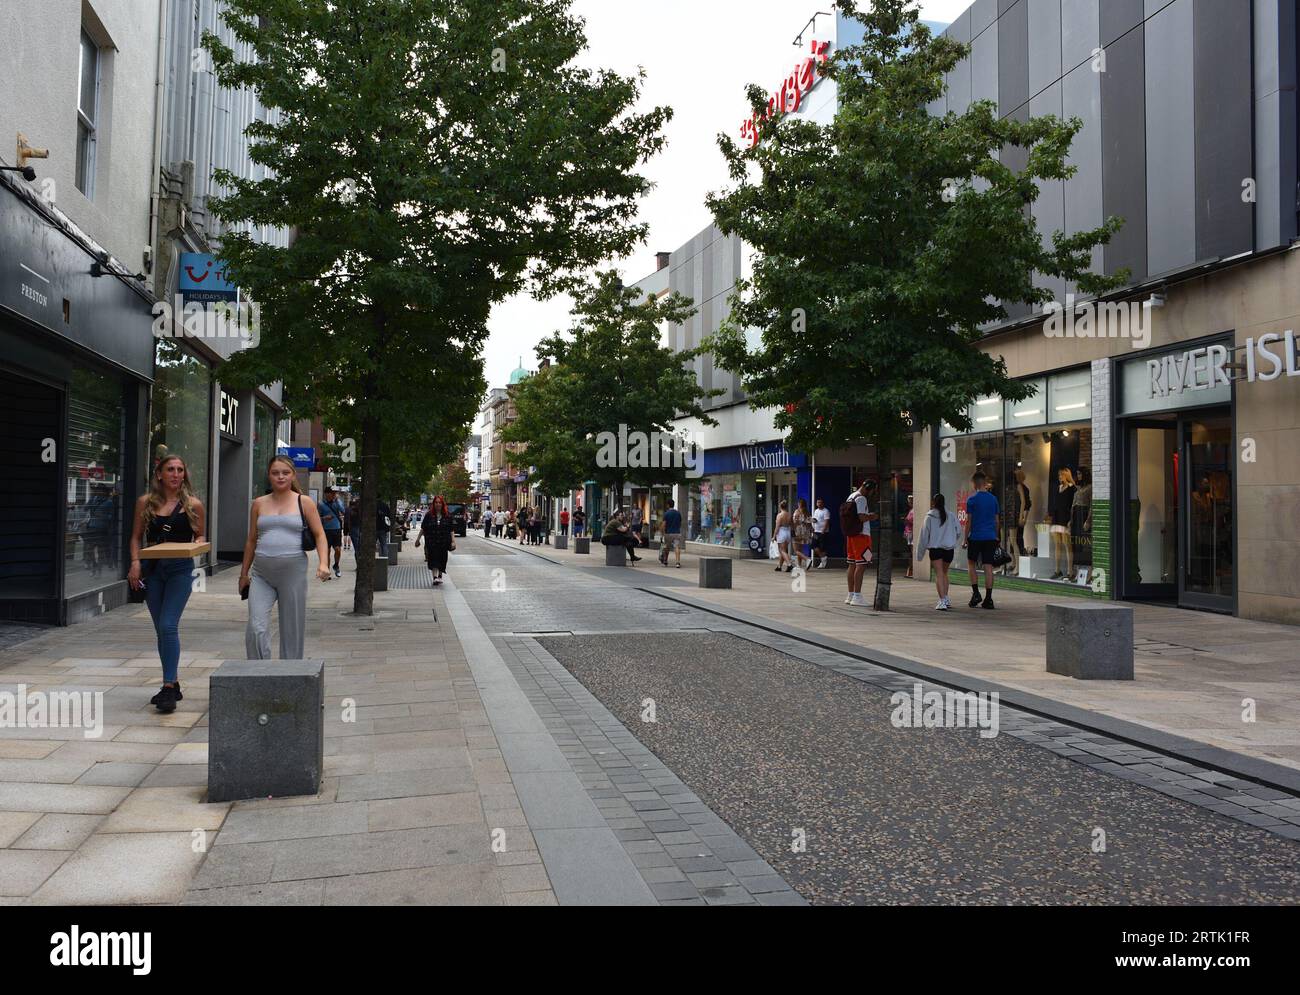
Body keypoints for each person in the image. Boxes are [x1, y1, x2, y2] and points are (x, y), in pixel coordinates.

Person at [128, 454, 207, 714]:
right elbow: (136, 537)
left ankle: (168, 688)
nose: (176, 474)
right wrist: (135, 563)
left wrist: (198, 543)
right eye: (170, 469)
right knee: (161, 630)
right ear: (159, 474)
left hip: (180, 571)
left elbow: (200, 535)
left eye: (180, 470)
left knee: (167, 624)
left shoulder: (193, 504)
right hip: (152, 571)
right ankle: (173, 680)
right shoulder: (145, 503)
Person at [240, 455, 332, 660]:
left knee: (292, 630)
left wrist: (324, 563)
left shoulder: (304, 502)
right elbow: (251, 540)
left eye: (285, 472)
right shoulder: (258, 503)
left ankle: (290, 674)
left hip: (293, 573)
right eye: (275, 473)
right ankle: (259, 673)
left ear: (292, 475)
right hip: (262, 574)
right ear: (269, 476)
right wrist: (243, 574)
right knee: (256, 628)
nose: (280, 477)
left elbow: (319, 534)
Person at [963, 470, 1001, 609]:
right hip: (990, 537)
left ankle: (976, 593)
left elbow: (969, 521)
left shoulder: (971, 500)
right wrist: (996, 535)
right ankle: (989, 598)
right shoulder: (993, 499)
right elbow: (997, 521)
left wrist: (965, 539)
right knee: (988, 566)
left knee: (971, 564)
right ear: (984, 483)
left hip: (976, 537)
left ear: (974, 484)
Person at [915, 494, 959, 610]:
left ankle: (942, 600)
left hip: (935, 549)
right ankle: (946, 598)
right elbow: (958, 531)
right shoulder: (951, 516)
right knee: (944, 573)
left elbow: (923, 537)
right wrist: (951, 540)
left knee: (939, 574)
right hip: (949, 549)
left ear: (933, 502)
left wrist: (919, 554)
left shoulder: (929, 517)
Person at [841, 479, 878, 607]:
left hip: (851, 535)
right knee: (861, 565)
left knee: (851, 564)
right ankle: (857, 596)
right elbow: (862, 517)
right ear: (869, 488)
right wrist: (872, 516)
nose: (872, 493)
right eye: (872, 491)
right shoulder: (861, 499)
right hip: (862, 535)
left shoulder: (851, 496)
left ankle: (850, 594)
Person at [415, 494, 457, 585]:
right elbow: (423, 528)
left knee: (442, 558)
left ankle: (440, 576)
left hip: (443, 541)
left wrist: (453, 541)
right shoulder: (429, 515)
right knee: (433, 558)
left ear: (442, 504)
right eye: (436, 502)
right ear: (433, 504)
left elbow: (451, 529)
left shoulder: (447, 516)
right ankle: (435, 577)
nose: (438, 504)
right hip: (432, 541)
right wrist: (418, 539)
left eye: (440, 502)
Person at [1048, 467, 1076, 580]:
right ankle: (1057, 570)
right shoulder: (1058, 487)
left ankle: (1070, 571)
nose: (1060, 477)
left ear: (1066, 476)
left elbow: (1072, 505)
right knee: (1057, 545)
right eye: (1059, 475)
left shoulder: (1071, 488)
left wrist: (1071, 519)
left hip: (1065, 518)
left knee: (1067, 546)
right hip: (1056, 517)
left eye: (1062, 475)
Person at [317, 486, 346, 578]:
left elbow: (343, 511)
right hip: (326, 530)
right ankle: (327, 570)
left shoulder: (337, 502)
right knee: (327, 551)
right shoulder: (321, 504)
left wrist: (337, 501)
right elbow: (316, 518)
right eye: (331, 493)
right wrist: (324, 518)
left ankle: (336, 565)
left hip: (336, 529)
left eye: (334, 493)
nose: (333, 495)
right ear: (326, 494)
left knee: (337, 549)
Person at [661, 498, 683, 568]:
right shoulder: (678, 513)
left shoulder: (666, 514)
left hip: (668, 533)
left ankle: (665, 560)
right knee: (677, 547)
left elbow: (664, 524)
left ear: (668, 505)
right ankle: (677, 562)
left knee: (667, 547)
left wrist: (663, 534)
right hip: (677, 533)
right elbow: (680, 523)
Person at [773, 499, 793, 572]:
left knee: (782, 550)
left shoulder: (779, 515)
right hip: (788, 532)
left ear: (780, 507)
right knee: (784, 550)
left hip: (781, 532)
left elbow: (777, 527)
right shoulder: (789, 514)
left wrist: (774, 536)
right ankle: (779, 566)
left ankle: (789, 564)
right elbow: (792, 525)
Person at [792, 498, 813, 571]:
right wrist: (811, 531)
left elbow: (795, 522)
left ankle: (807, 559)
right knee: (799, 550)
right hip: (805, 532)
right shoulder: (807, 512)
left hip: (798, 531)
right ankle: (799, 565)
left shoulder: (797, 512)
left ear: (799, 504)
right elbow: (810, 523)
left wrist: (792, 530)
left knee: (796, 550)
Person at [811, 497, 831, 568]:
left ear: (823, 503)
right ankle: (823, 558)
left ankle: (823, 562)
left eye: (820, 502)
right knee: (813, 545)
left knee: (822, 547)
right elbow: (815, 520)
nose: (818, 504)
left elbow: (827, 521)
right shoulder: (816, 511)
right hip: (816, 531)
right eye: (817, 502)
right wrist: (812, 524)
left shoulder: (826, 511)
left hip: (822, 532)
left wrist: (823, 530)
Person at [903, 494, 915, 579]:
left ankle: (911, 570)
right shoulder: (911, 510)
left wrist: (907, 521)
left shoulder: (914, 511)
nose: (909, 503)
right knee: (911, 552)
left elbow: (912, 521)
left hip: (912, 533)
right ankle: (910, 570)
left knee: (912, 552)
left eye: (911, 501)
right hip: (909, 533)